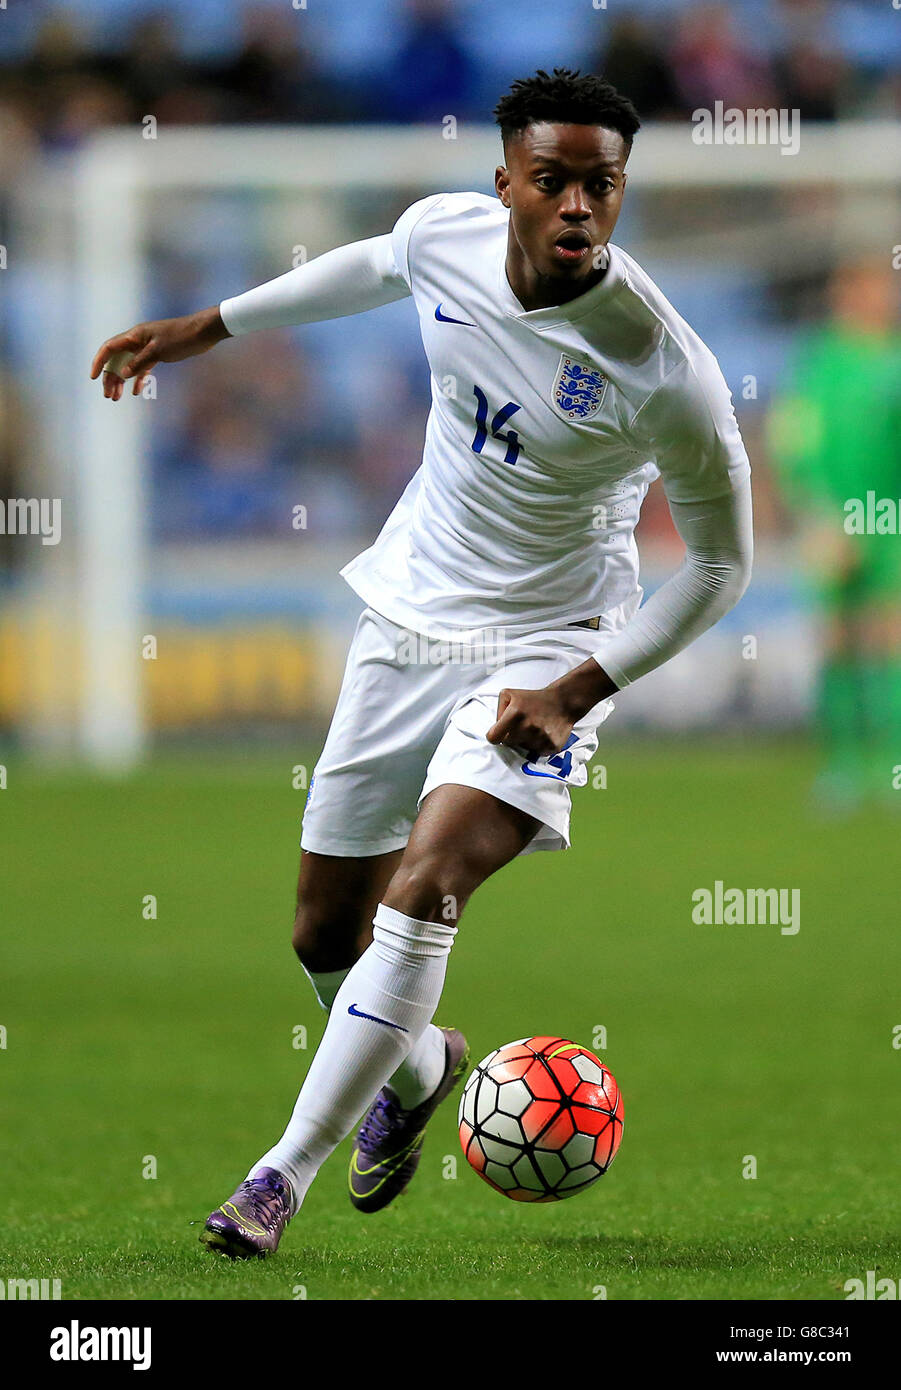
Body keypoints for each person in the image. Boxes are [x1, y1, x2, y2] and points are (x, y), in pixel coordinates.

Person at [90, 68, 753, 1258]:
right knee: (320, 936)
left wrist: (575, 688)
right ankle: (423, 1064)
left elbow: (719, 566)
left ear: (619, 194)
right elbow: (372, 264)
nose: (574, 209)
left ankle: (277, 1176)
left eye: (599, 187)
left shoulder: (668, 372)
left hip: (549, 647)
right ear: (504, 181)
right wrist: (211, 326)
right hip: (409, 613)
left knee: (425, 885)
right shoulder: (445, 234)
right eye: (549, 181)